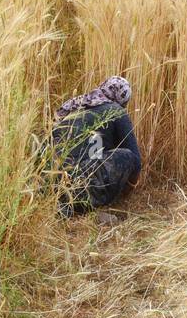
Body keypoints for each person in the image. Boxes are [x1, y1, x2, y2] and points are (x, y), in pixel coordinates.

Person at [50, 76, 142, 218]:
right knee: (128, 156)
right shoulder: (115, 110)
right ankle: (86, 205)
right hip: (81, 190)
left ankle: (65, 203)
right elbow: (136, 163)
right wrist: (126, 193)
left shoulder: (74, 104)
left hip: (51, 186)